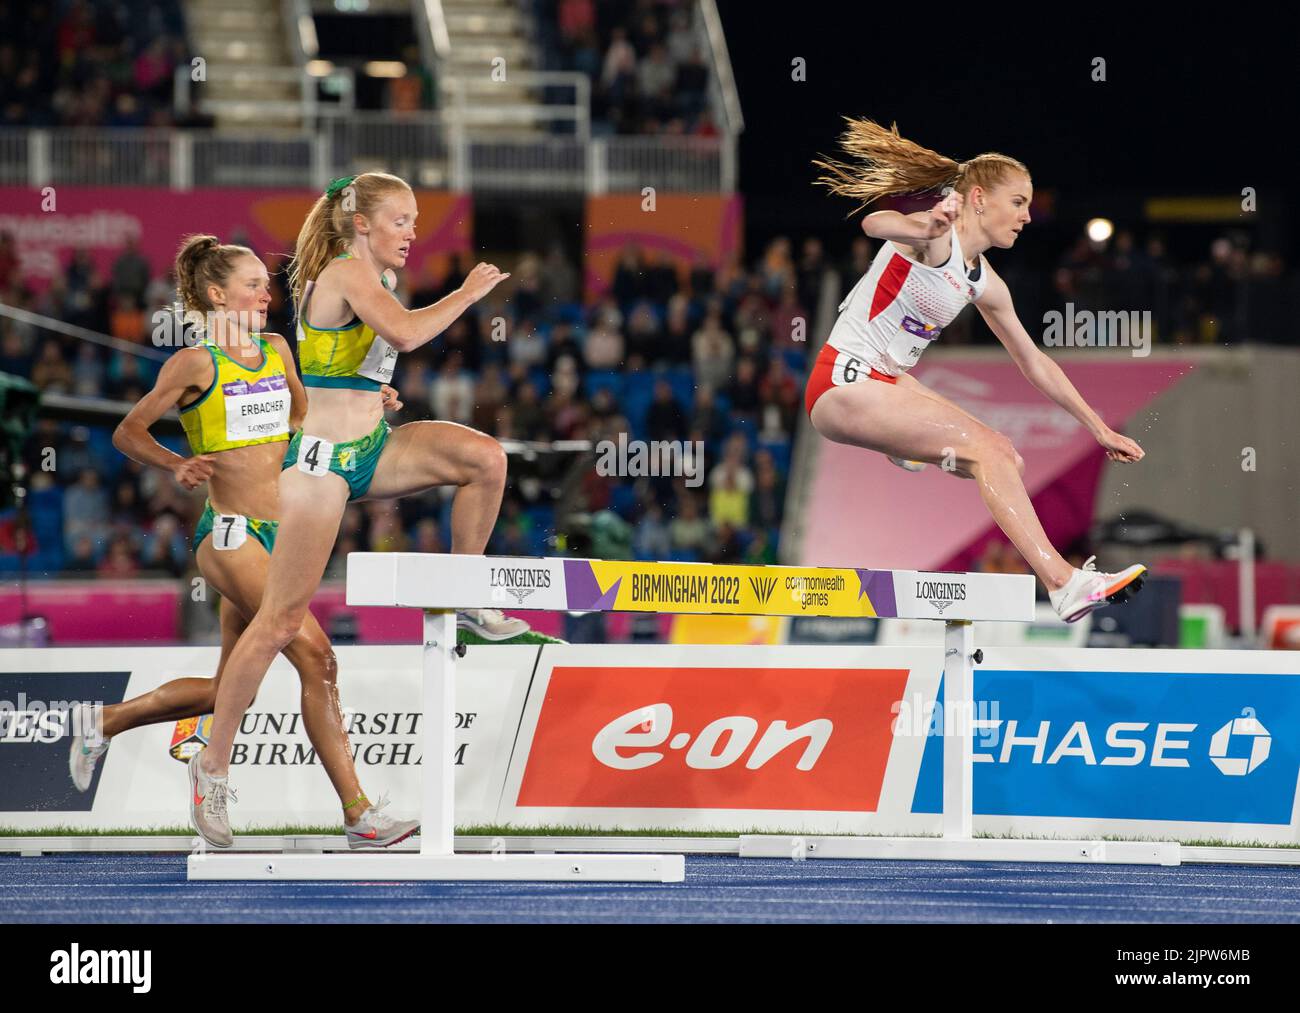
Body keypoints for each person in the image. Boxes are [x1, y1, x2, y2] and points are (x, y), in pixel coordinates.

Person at [186, 172, 529, 847]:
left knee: (486, 459)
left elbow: (333, 366)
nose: (412, 232)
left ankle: (464, 587)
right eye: (401, 220)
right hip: (319, 468)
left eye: (415, 219)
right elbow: (402, 336)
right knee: (280, 621)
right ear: (363, 225)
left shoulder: (371, 281)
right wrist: (468, 291)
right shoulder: (345, 272)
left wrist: (375, 394)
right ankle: (211, 766)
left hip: (370, 447)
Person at [78, 234, 418, 850]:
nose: (267, 293)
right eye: (254, 283)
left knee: (233, 685)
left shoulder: (277, 348)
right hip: (231, 538)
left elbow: (302, 419)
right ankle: (356, 813)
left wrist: (372, 399)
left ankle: (104, 721)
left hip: (281, 533)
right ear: (216, 294)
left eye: (266, 283)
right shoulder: (196, 364)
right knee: (317, 656)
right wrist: (173, 462)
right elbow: (128, 432)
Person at [803, 119, 1146, 623]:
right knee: (990, 451)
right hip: (844, 382)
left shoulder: (984, 281)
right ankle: (1063, 582)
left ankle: (903, 448)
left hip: (886, 383)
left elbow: (1034, 361)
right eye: (1019, 202)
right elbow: (873, 225)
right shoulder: (933, 240)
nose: (1028, 216)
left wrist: (1097, 428)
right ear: (980, 199)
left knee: (1006, 459)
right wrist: (923, 225)